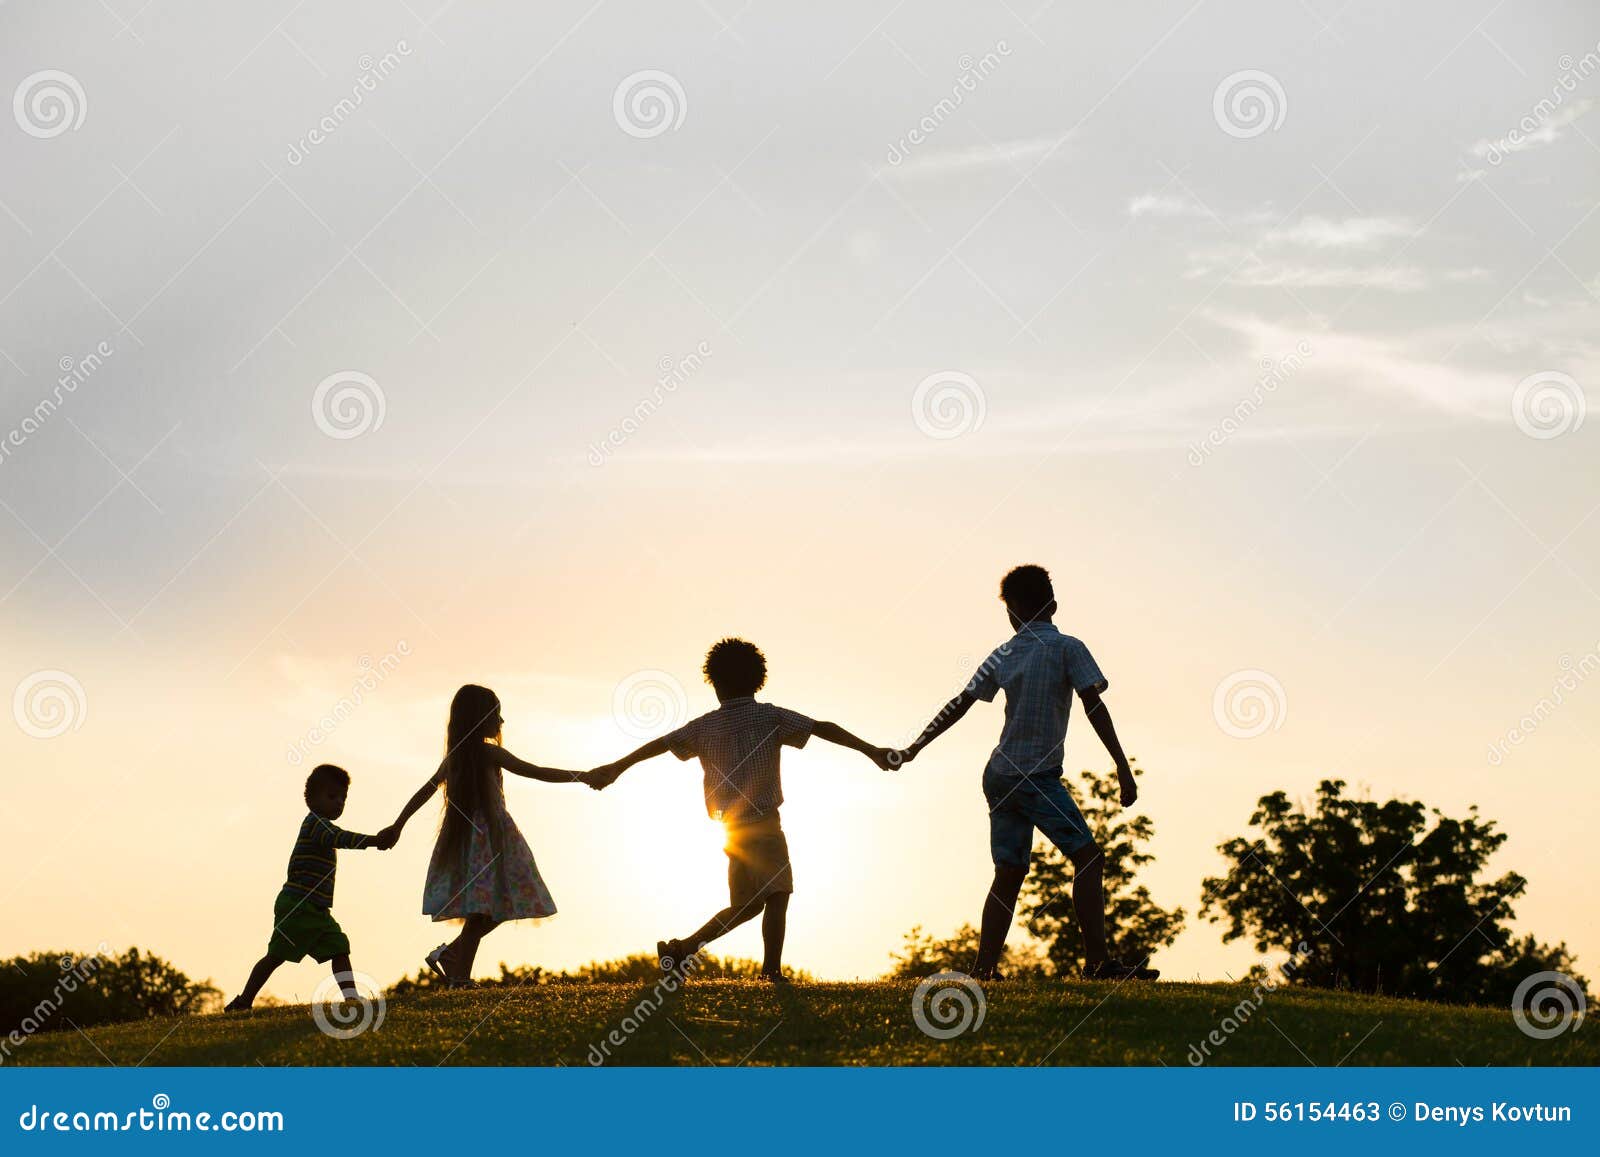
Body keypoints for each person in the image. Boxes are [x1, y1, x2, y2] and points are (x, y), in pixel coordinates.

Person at [899, 564, 1158, 982]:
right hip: (1033, 775)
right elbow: (1094, 705)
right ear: (1053, 604)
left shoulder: (1004, 653)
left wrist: (914, 746)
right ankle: (1097, 964)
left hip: (999, 775)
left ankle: (983, 970)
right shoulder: (1069, 647)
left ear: (1013, 610)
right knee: (1089, 859)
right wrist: (1122, 767)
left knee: (1009, 873)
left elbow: (959, 704)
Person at [590, 637, 896, 981]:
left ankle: (683, 948)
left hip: (730, 828)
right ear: (757, 679)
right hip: (764, 824)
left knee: (747, 906)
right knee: (778, 894)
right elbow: (821, 727)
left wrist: (617, 768)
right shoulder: (770, 716)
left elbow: (659, 745)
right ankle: (770, 971)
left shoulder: (703, 726)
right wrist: (871, 750)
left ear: (715, 684)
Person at [382, 684, 590, 985]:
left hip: (475, 841)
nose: (501, 722)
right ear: (480, 718)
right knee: (486, 910)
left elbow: (424, 791)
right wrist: (582, 776)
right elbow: (535, 771)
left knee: (501, 903)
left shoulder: (458, 757)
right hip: (489, 839)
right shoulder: (484, 753)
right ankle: (459, 975)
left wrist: (399, 825)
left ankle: (453, 957)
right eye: (496, 714)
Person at [224, 763, 395, 1010]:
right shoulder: (316, 824)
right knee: (275, 956)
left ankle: (351, 998)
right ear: (311, 798)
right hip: (297, 906)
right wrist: (373, 841)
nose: (339, 803)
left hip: (316, 910)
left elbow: (337, 837)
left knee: (338, 948)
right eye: (332, 796)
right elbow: (340, 837)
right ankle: (243, 1001)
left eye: (343, 798)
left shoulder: (321, 825)